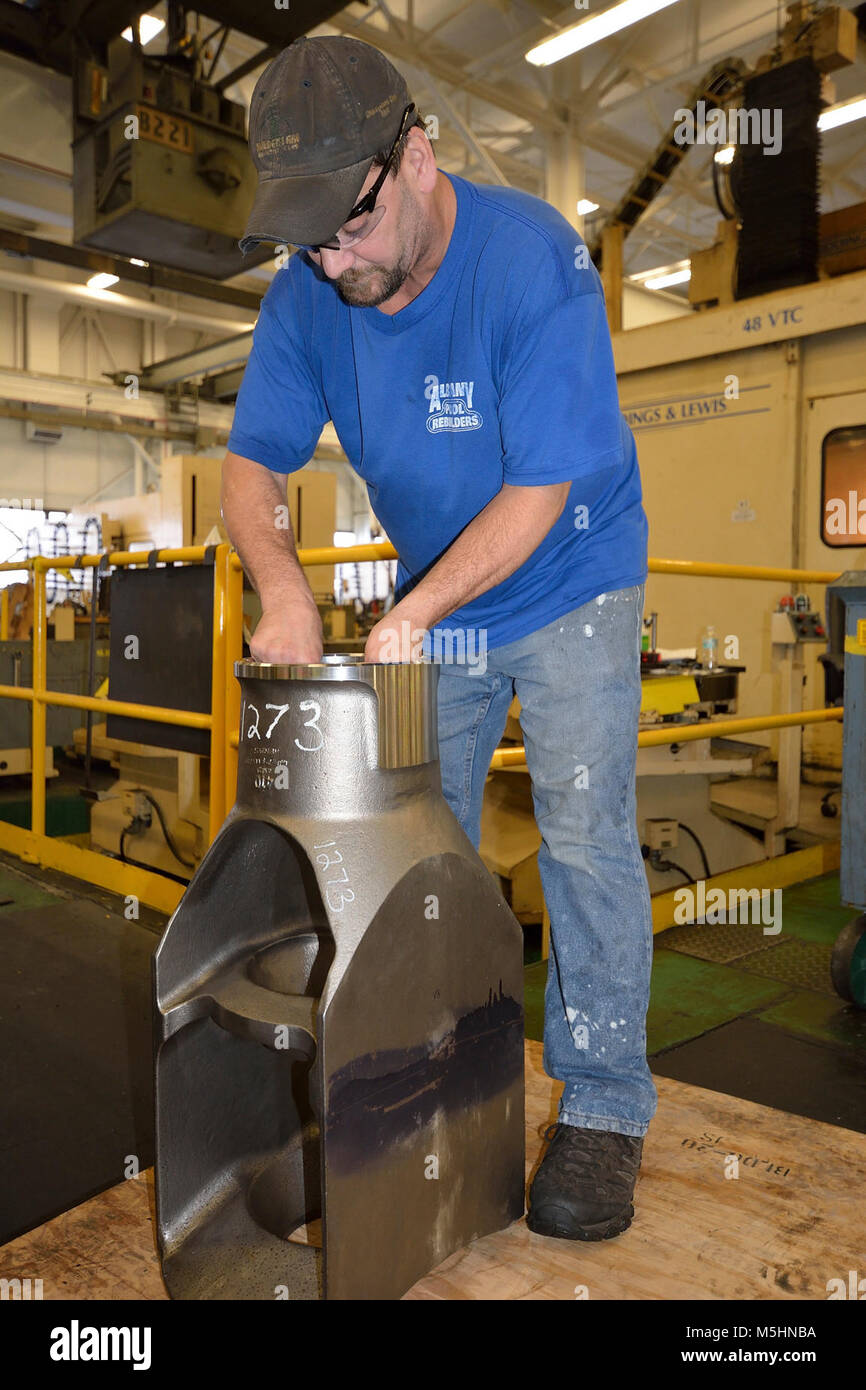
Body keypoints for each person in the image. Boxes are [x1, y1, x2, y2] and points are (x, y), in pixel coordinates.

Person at [221, 34, 657, 1242]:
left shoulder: (535, 265)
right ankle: (442, 1066)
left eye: (348, 226)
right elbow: (250, 465)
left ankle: (608, 1104)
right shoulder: (311, 286)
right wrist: (284, 584)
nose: (329, 258)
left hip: (567, 572)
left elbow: (537, 490)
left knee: (580, 839)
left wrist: (411, 610)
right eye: (306, 236)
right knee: (424, 852)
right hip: (440, 598)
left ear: (413, 158)